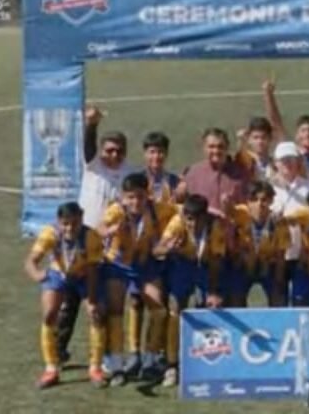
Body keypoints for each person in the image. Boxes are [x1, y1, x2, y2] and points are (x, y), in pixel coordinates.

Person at [59, 107, 132, 363]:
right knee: (69, 302)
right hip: (83, 238)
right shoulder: (93, 165)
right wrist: (91, 125)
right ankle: (58, 351)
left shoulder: (130, 173)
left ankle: (103, 356)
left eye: (119, 150)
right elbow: (88, 147)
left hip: (112, 246)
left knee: (100, 302)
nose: (114, 155)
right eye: (109, 150)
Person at [97, 173, 174, 385]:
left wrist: (167, 243)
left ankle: (149, 360)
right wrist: (111, 230)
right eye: (131, 197)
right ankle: (116, 365)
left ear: (147, 194)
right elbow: (99, 229)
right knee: (115, 312)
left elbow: (179, 214)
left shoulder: (157, 209)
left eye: (140, 196)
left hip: (145, 266)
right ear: (123, 196)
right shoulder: (117, 210)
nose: (136, 202)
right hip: (118, 265)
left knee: (158, 310)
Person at [24, 202, 107, 389]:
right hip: (58, 274)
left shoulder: (91, 237)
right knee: (49, 315)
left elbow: (93, 270)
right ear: (58, 221)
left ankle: (95, 368)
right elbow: (31, 260)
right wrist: (38, 275)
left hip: (84, 276)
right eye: (65, 224)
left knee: (97, 314)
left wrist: (92, 299)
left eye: (74, 223)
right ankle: (51, 368)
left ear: (82, 219)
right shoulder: (50, 234)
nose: (69, 228)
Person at [154, 193, 227, 387]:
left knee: (209, 308)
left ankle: (204, 360)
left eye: (196, 219)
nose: (192, 224)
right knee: (176, 309)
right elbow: (157, 250)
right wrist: (167, 248)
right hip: (182, 265)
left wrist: (212, 290)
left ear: (205, 216)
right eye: (189, 219)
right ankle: (172, 365)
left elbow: (216, 261)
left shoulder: (215, 227)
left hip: (204, 266)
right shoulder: (177, 223)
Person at [225, 181, 290, 307]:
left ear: (271, 201)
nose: (259, 204)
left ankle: (277, 322)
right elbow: (228, 210)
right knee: (235, 293)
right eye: (254, 200)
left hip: (269, 264)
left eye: (264, 200)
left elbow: (281, 255)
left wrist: (279, 282)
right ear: (247, 202)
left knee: (279, 294)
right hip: (243, 264)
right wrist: (226, 202)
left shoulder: (279, 222)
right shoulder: (240, 214)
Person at [269, 141, 309, 305]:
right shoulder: (267, 188)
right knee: (277, 299)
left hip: (301, 253)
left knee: (302, 299)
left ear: (299, 162)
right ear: (276, 163)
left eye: (291, 159)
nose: (287, 163)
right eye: (283, 160)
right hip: (274, 255)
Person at [263, 78, 309, 181]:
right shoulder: (290, 151)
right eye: (303, 131)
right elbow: (276, 123)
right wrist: (269, 95)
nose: (307, 134)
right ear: (297, 135)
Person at [183, 128, 249, 215]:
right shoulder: (193, 174)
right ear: (204, 148)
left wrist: (232, 209)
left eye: (220, 146)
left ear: (227, 147)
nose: (216, 151)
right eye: (211, 147)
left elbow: (248, 208)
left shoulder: (240, 174)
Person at [140, 131, 183, 204]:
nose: (156, 156)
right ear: (145, 154)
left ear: (166, 153)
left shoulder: (175, 181)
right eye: (152, 152)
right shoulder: (137, 179)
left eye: (160, 152)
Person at [236, 117, 276, 181]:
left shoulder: (276, 163)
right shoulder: (246, 161)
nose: (260, 141)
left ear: (270, 139)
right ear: (249, 139)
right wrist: (241, 140)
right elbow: (240, 155)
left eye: (263, 137)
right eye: (255, 138)